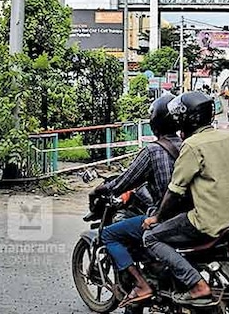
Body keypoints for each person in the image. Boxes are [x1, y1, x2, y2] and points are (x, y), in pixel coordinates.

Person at [142, 90, 229, 306]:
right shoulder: (228, 138)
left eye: (180, 118)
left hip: (208, 222)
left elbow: (175, 190)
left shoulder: (192, 146)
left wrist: (157, 217)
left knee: (151, 237)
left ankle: (196, 284)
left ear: (188, 119)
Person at [92, 92, 183, 307]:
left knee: (109, 234)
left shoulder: (152, 151)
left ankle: (141, 284)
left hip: (166, 218)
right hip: (190, 215)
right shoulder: (188, 146)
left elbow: (124, 182)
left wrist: (102, 189)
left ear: (154, 123)